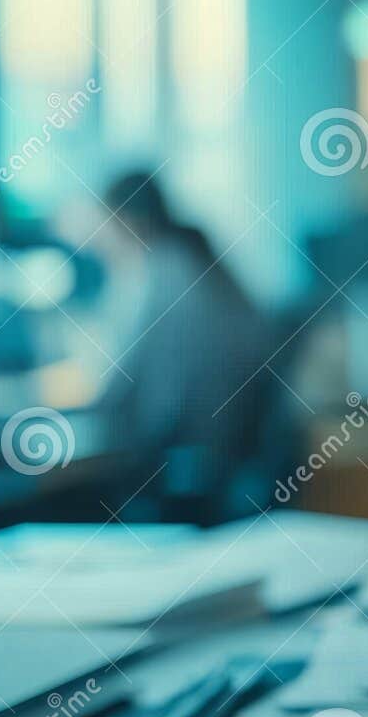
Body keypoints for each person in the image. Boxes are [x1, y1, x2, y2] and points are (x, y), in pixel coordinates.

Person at [86, 171, 272, 523]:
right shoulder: (199, 260)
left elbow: (156, 404)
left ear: (125, 221)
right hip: (226, 458)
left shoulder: (164, 275)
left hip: (189, 466)